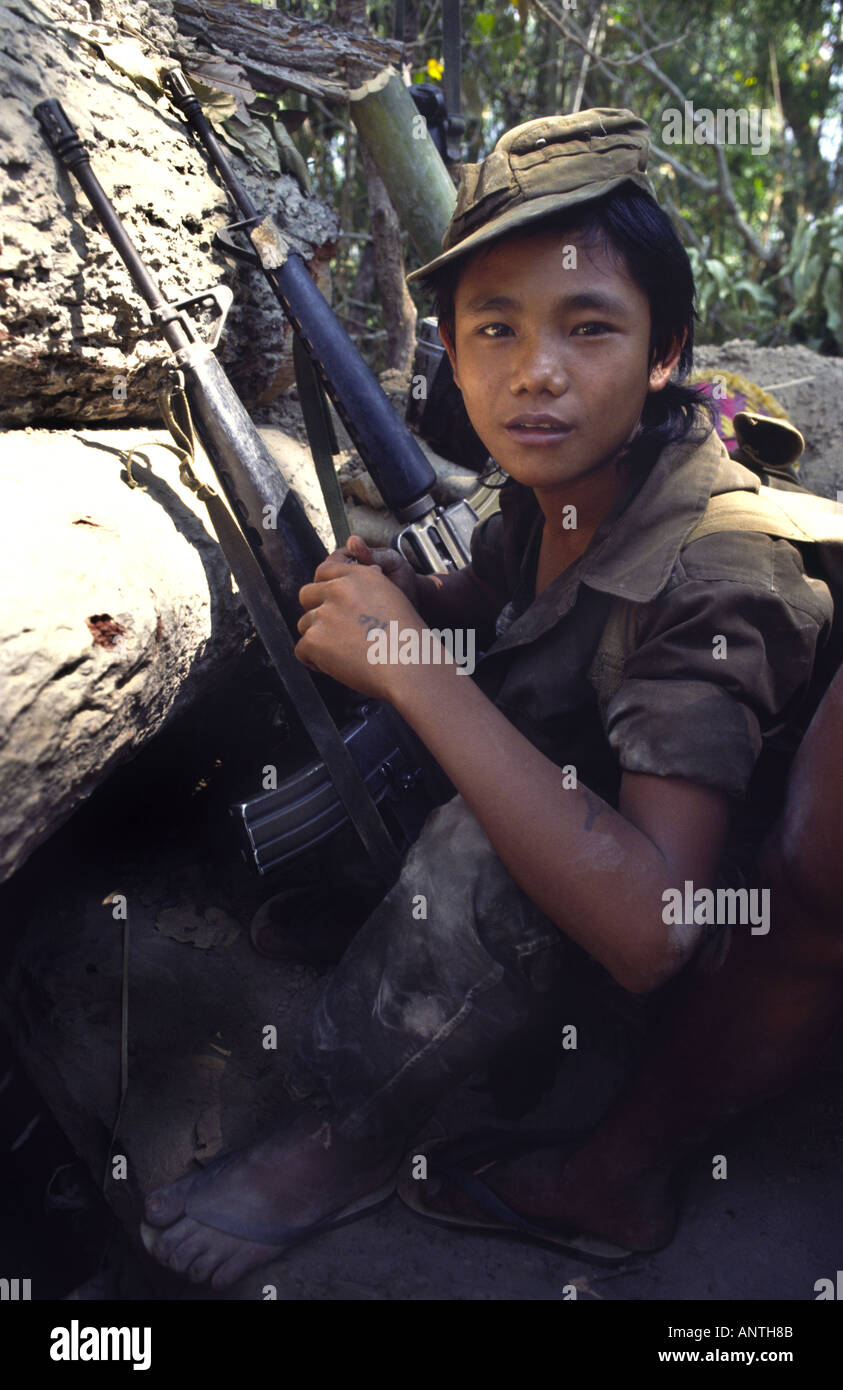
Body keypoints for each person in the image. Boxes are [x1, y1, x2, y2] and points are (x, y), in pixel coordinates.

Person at [142, 109, 832, 1289]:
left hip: (709, 961)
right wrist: (407, 597)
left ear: (666, 351)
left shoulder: (723, 565)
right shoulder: (560, 486)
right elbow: (513, 606)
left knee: (485, 848)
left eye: (589, 327)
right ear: (450, 355)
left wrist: (411, 661)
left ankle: (345, 1137)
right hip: (618, 848)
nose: (536, 371)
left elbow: (657, 927)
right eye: (494, 329)